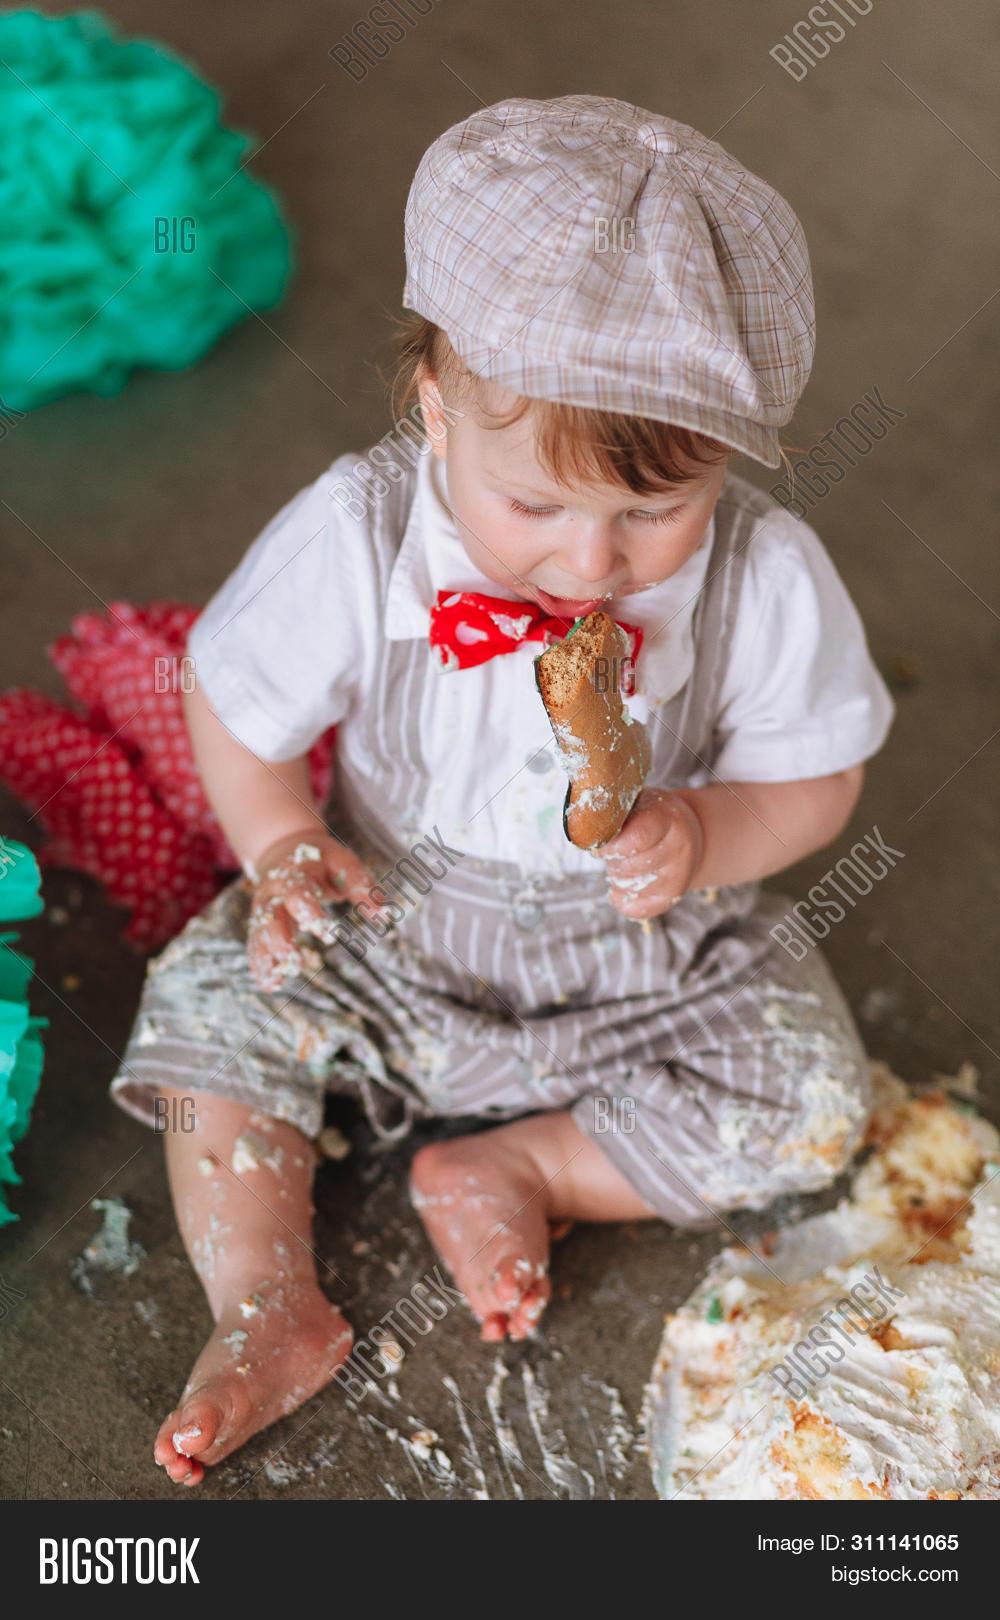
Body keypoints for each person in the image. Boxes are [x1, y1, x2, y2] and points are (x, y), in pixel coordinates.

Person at [109, 95, 894, 1486]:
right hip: (385, 939)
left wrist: (710, 829)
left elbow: (819, 776)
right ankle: (265, 1299)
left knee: (816, 1094)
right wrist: (286, 845)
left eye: (657, 510)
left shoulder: (764, 578)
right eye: (536, 505)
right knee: (215, 993)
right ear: (434, 408)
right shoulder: (359, 534)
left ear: (719, 456)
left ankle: (523, 1166)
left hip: (641, 971)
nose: (593, 568)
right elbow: (231, 704)